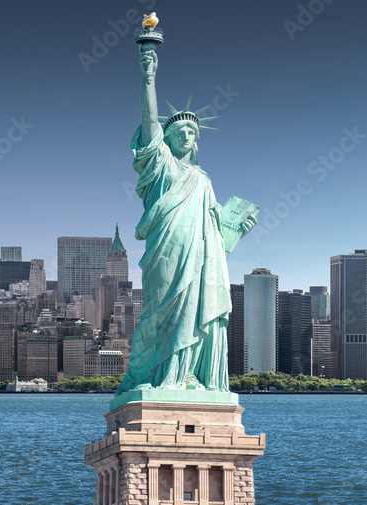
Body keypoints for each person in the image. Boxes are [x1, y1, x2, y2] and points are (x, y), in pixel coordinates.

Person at [115, 46, 257, 394]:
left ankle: (187, 376)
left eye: (192, 131)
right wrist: (149, 76)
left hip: (201, 258)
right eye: (179, 130)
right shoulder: (160, 166)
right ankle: (149, 377)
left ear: (197, 140)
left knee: (196, 312)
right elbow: (150, 121)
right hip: (166, 251)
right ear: (167, 139)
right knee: (158, 313)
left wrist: (237, 229)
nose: (186, 134)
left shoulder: (204, 180)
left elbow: (216, 232)